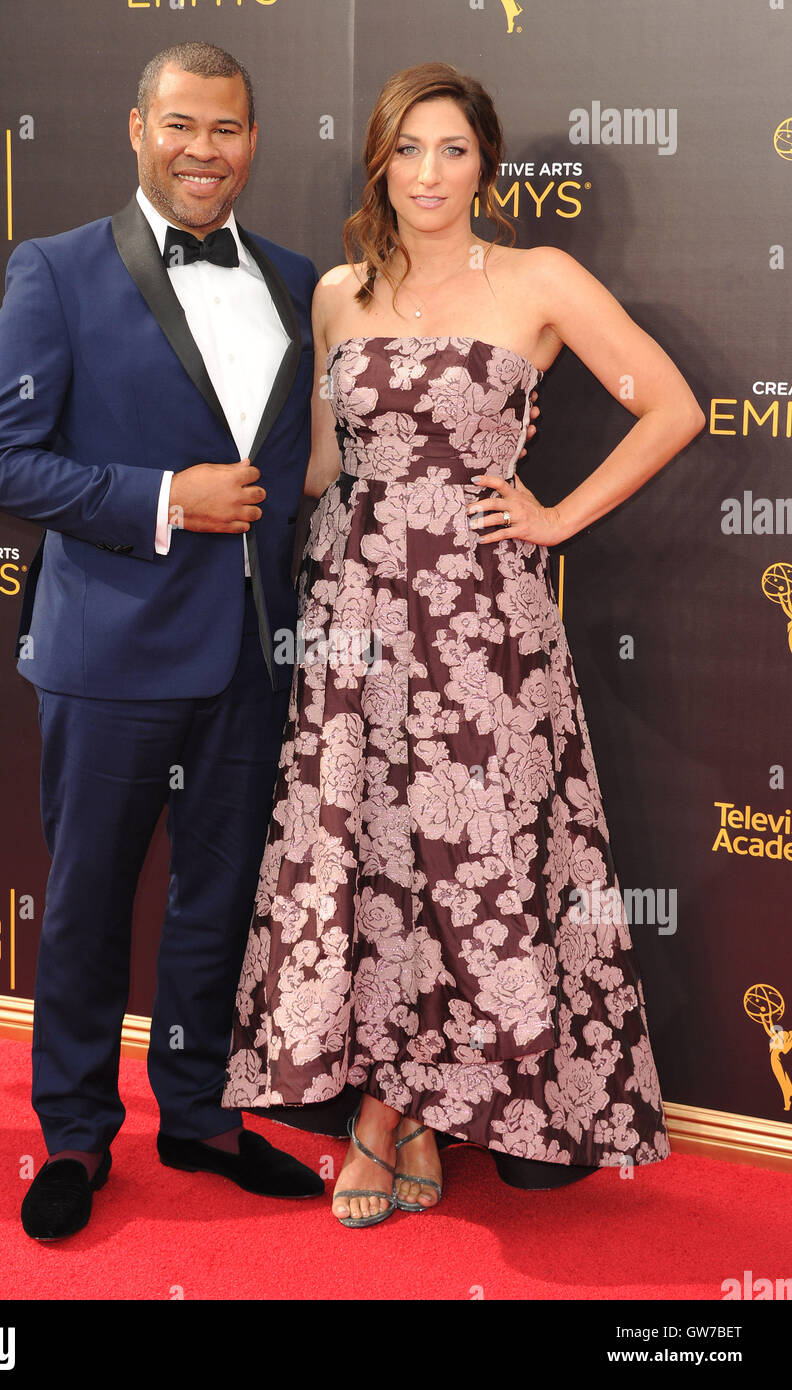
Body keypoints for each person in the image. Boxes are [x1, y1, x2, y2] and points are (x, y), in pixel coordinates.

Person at [222, 61, 705, 1227]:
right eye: (406, 150)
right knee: (365, 861)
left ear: (483, 164)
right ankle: (378, 1106)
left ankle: (439, 1108)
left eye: (451, 150)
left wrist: (551, 517)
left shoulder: (537, 278)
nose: (428, 174)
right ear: (378, 162)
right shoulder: (339, 292)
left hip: (485, 629)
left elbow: (673, 406)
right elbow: (328, 464)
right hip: (351, 620)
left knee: (471, 870)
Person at [0, 41, 330, 1239]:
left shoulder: (293, 280)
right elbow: (0, 461)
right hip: (108, 654)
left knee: (217, 898)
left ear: (253, 140)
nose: (203, 151)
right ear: (137, 130)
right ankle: (73, 1134)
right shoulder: (58, 269)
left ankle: (199, 1112)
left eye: (226, 128)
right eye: (180, 125)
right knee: (85, 906)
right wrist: (168, 497)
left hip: (249, 654)